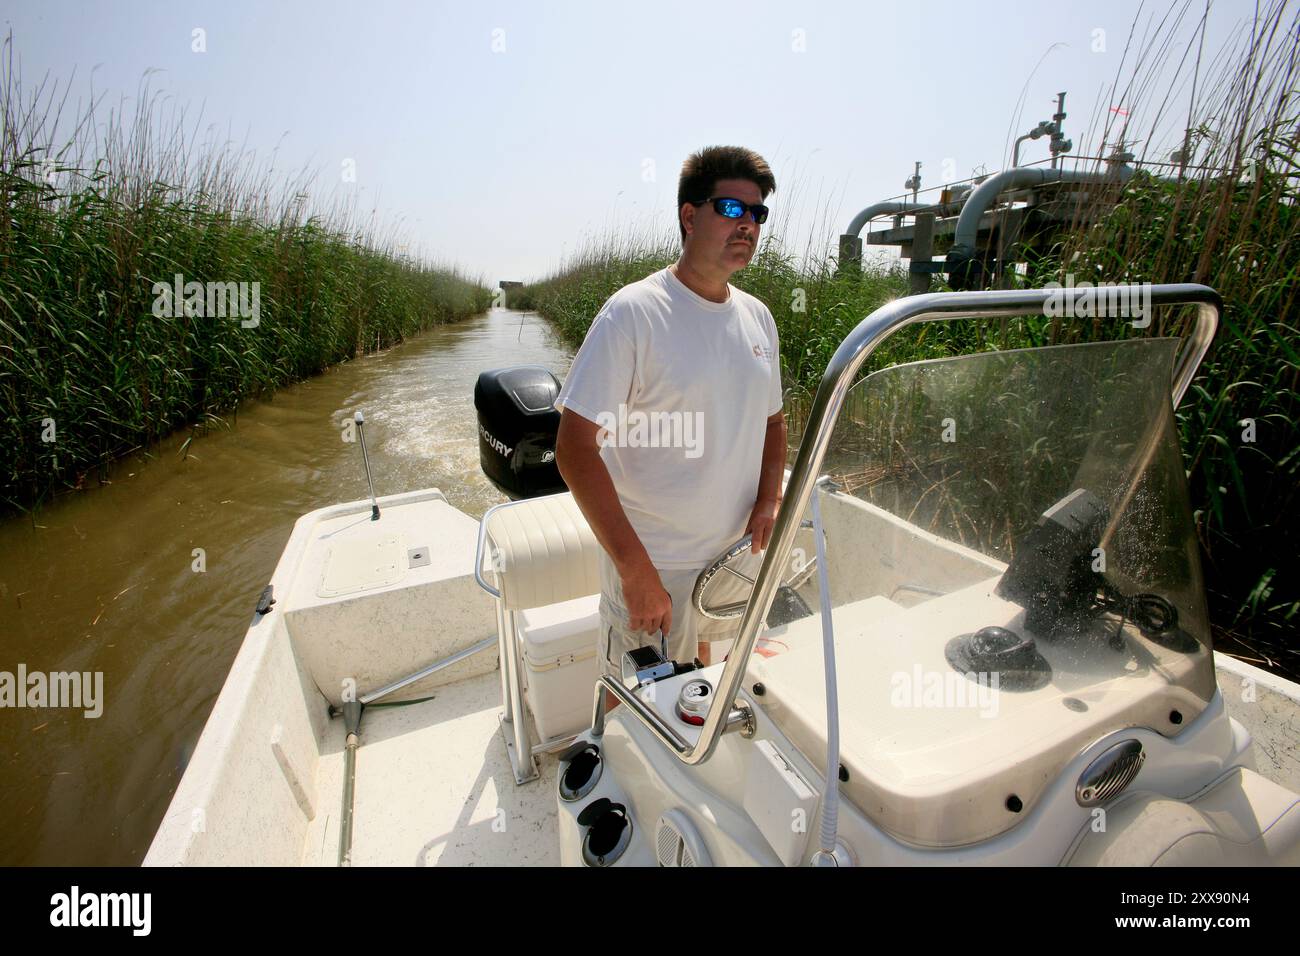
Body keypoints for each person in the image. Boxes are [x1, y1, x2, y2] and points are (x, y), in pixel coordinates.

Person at [553, 145, 787, 709]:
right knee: (632, 707)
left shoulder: (758, 318)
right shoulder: (634, 314)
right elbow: (575, 450)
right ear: (689, 216)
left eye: (758, 214)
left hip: (733, 558)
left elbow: (773, 423)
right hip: (656, 565)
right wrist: (634, 570)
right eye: (732, 209)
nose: (747, 225)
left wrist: (768, 501)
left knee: (709, 695)